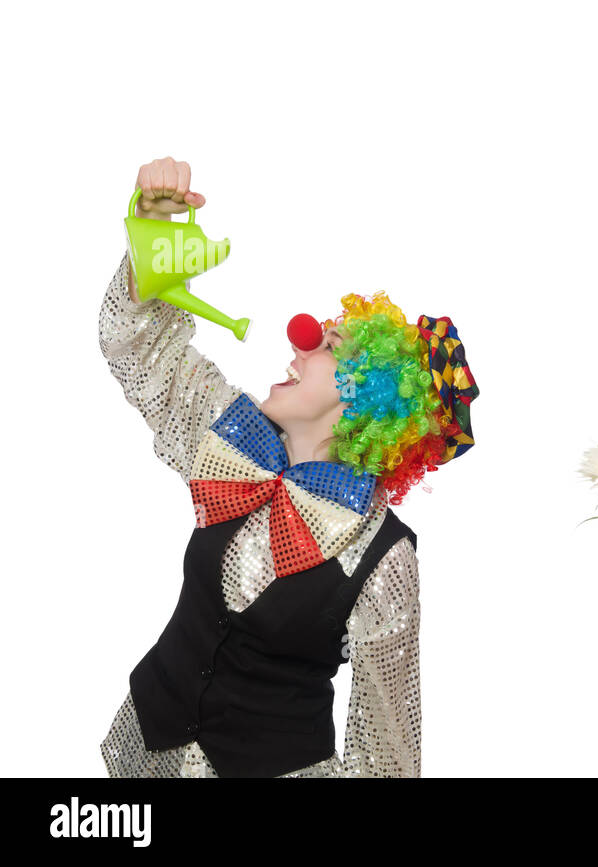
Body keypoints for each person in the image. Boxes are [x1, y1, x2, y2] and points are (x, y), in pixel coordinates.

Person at [99, 157, 478, 777]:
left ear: (367, 396)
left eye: (329, 347)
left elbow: (385, 748)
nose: (301, 340)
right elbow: (140, 346)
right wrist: (159, 232)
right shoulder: (233, 437)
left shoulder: (383, 556)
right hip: (147, 755)